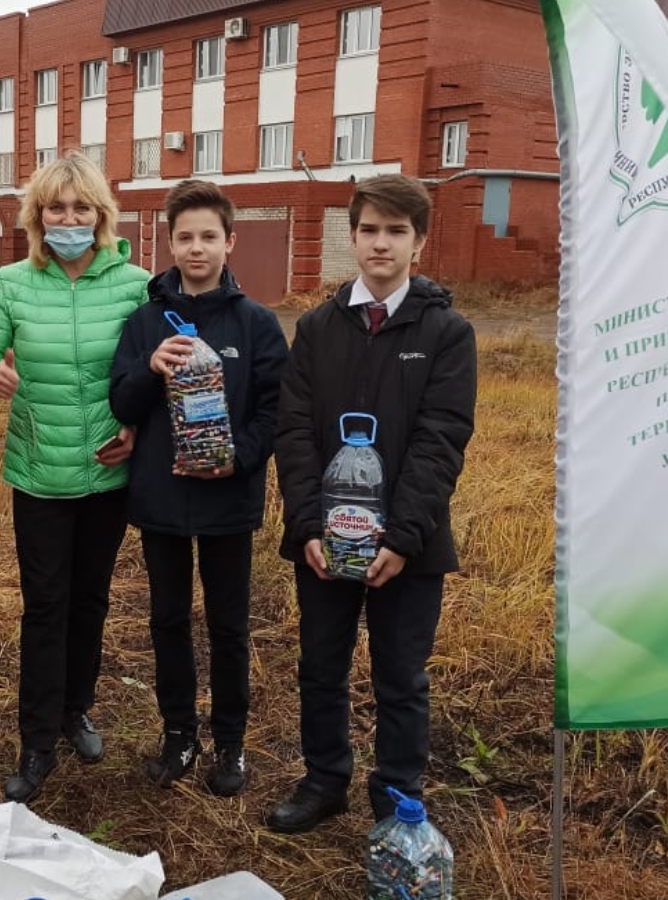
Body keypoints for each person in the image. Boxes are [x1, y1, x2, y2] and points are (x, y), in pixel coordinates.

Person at [265, 174, 477, 834]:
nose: (380, 243)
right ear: (352, 237)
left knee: (401, 677)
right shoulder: (320, 328)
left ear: (420, 241)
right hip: (325, 544)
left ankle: (396, 797)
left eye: (396, 231)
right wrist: (306, 525)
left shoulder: (446, 333)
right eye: (369, 230)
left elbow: (441, 439)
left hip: (405, 547)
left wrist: (402, 537)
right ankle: (325, 779)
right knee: (320, 668)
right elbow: (294, 431)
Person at [0, 151, 149, 803]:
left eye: (81, 207)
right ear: (38, 217)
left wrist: (139, 428)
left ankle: (76, 709)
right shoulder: (12, 284)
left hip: (107, 474)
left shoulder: (136, 285)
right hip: (39, 473)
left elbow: (151, 374)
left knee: (91, 601)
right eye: (56, 208)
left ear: (101, 216)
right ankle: (36, 739)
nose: (69, 218)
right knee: (46, 607)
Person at [108, 180, 287, 797]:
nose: (196, 248)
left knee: (229, 625)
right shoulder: (146, 322)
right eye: (184, 237)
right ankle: (178, 733)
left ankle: (230, 741)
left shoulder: (256, 324)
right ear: (170, 241)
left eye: (209, 236)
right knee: (167, 620)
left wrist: (235, 460)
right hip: (160, 500)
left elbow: (275, 412)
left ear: (230, 241)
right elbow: (120, 401)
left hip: (227, 503)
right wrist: (149, 368)